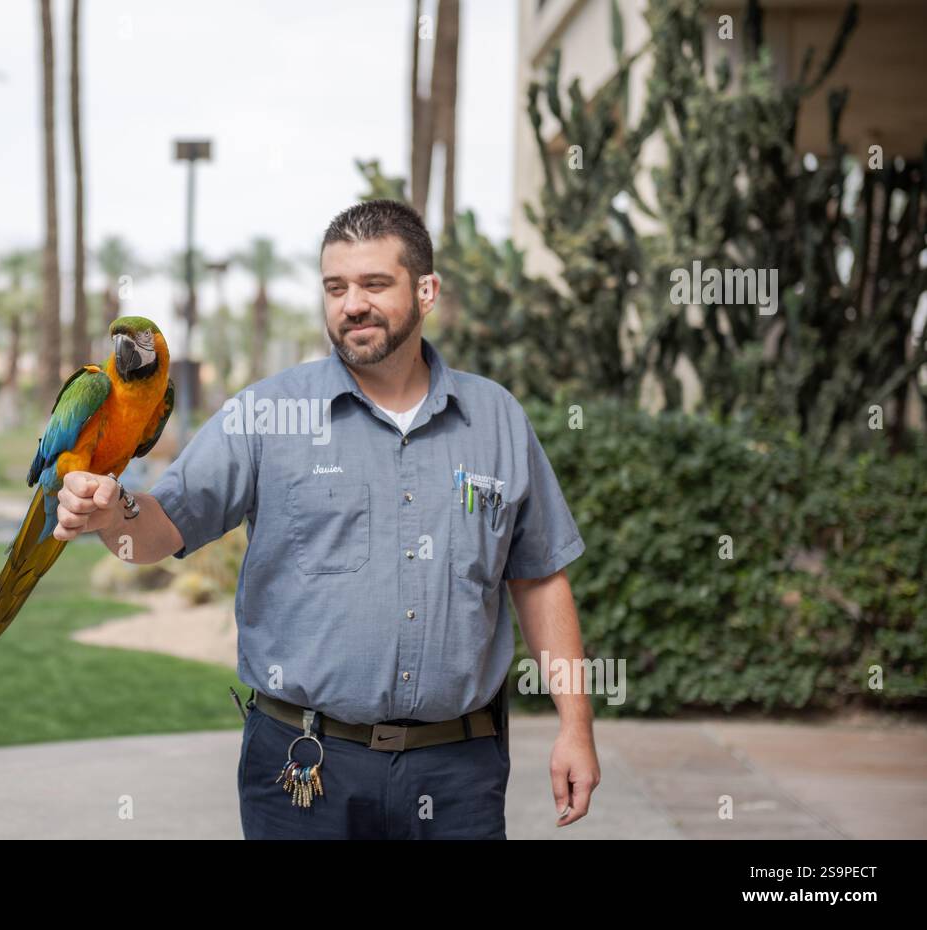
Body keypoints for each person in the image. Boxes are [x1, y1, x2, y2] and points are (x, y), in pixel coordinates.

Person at [53, 200, 600, 839]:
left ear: (427, 292)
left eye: (374, 284)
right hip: (302, 772)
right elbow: (158, 530)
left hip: (458, 775)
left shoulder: (496, 420)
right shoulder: (265, 415)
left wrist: (575, 727)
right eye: (335, 287)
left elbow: (538, 580)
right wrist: (108, 510)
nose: (351, 304)